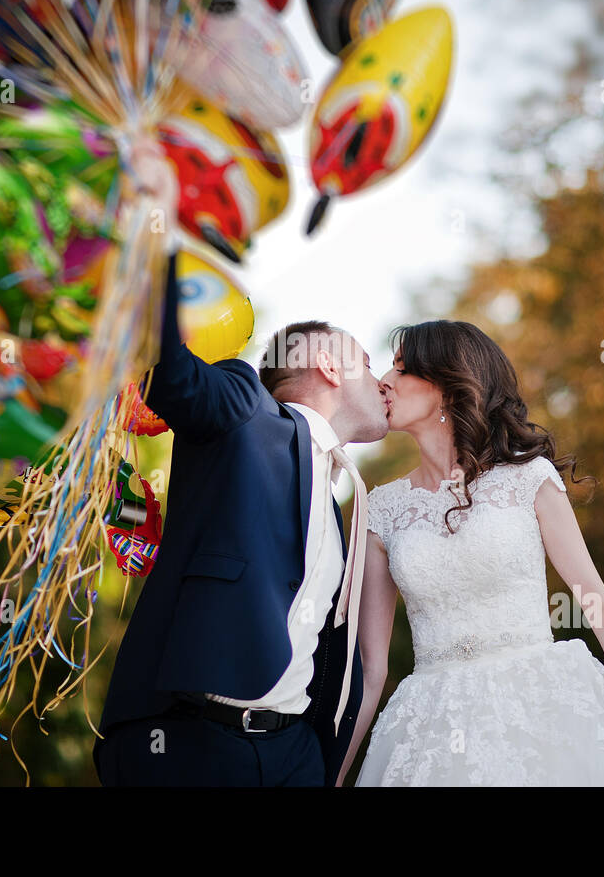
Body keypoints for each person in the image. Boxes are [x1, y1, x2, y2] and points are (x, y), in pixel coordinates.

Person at [341, 320, 604, 786]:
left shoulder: (529, 477)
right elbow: (372, 669)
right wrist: (336, 768)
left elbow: (590, 591)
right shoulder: (382, 508)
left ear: (449, 386)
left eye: (404, 369)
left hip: (543, 704)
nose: (385, 380)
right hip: (429, 725)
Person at [93, 249, 389, 787]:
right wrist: (155, 238)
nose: (382, 382)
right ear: (331, 365)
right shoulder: (245, 409)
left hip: (295, 756)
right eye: (368, 363)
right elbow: (174, 376)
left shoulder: (337, 498)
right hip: (189, 746)